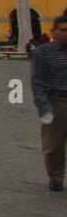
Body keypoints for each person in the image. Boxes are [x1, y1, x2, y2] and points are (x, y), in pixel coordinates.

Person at [29, 15, 67, 192]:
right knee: (53, 145)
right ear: (53, 31)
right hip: (57, 102)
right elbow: (37, 81)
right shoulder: (43, 52)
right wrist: (43, 107)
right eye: (64, 30)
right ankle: (56, 177)